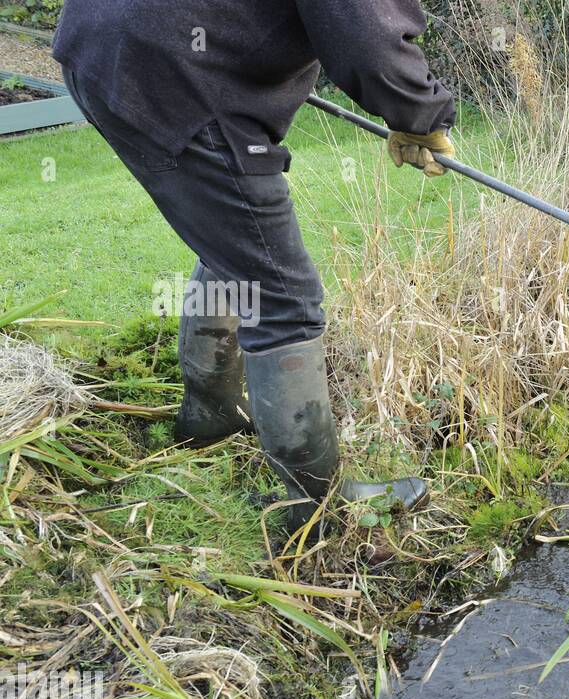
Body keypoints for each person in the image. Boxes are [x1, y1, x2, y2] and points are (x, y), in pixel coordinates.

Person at [52, 0, 457, 533]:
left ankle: (210, 418)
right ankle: (317, 510)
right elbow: (366, 36)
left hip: (104, 47)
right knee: (283, 298)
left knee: (234, 251)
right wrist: (420, 117)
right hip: (173, 77)